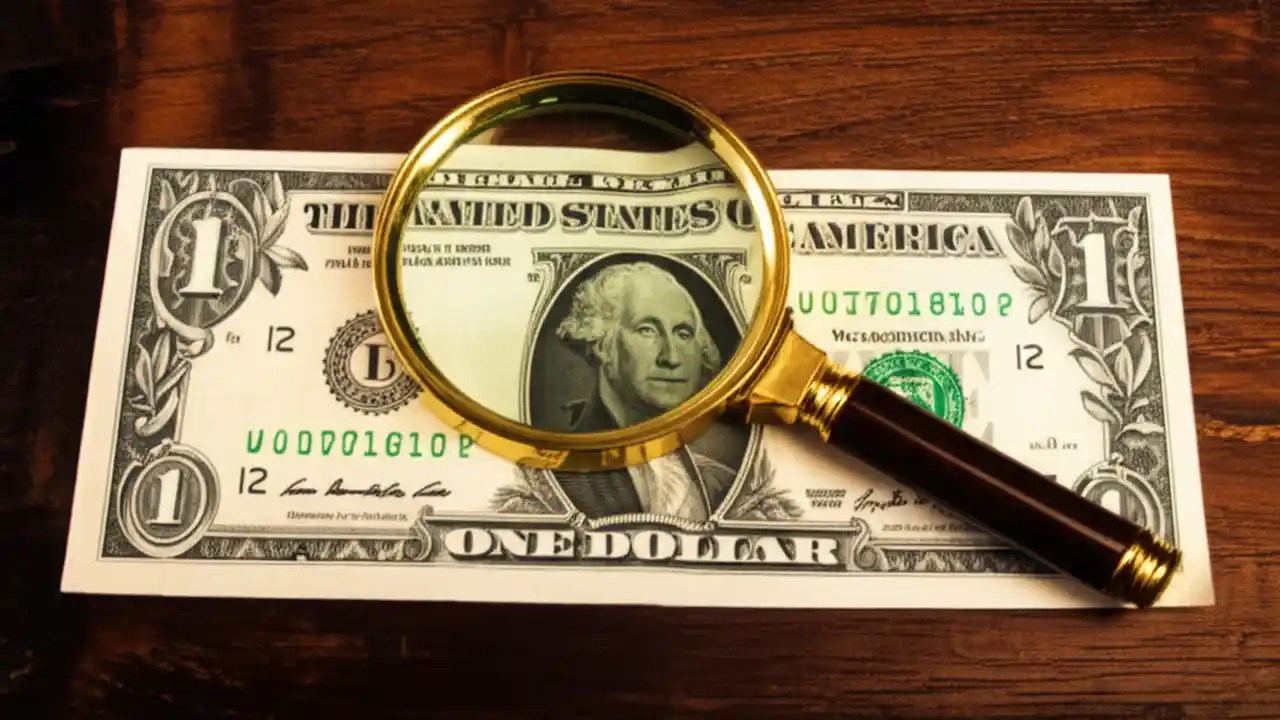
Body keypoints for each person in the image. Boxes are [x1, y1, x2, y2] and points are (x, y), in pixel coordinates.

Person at [552, 261, 737, 522]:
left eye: (683, 334)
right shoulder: (559, 482)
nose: (671, 358)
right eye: (647, 330)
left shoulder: (720, 483)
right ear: (602, 343)